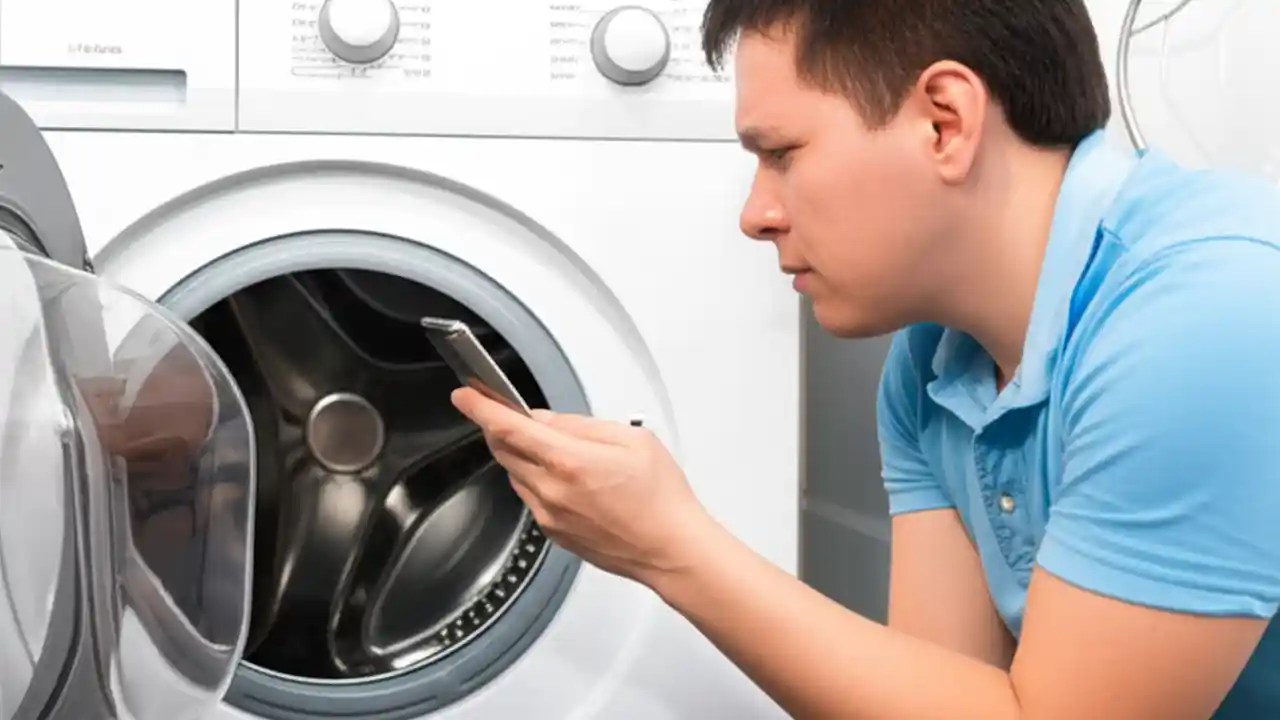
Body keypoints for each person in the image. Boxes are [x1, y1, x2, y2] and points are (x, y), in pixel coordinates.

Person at [452, 1, 1280, 717]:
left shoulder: (1212, 307)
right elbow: (932, 692)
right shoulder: (931, 370)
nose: (755, 214)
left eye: (781, 153)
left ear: (944, 122)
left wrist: (673, 547)